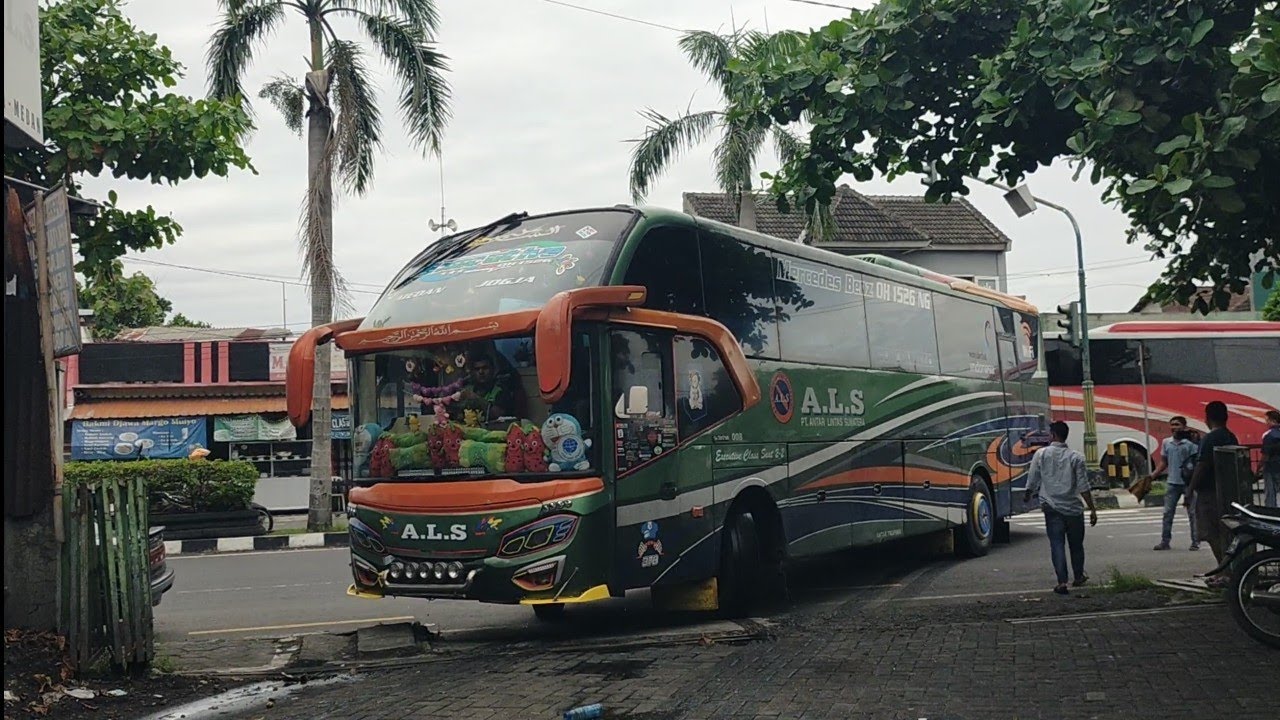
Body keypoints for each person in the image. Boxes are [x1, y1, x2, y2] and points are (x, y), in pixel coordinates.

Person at [1024, 420, 1098, 595]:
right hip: (1073, 508)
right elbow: (1084, 486)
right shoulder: (1076, 457)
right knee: (1076, 545)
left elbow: (1032, 478)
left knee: (1057, 544)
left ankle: (1062, 581)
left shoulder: (1041, 454)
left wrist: (1028, 494)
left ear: (1052, 435)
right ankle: (1078, 576)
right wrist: (1092, 509)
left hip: (1051, 507)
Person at [1184, 400, 1238, 583]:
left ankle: (1223, 571)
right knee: (1224, 532)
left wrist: (1190, 489)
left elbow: (1202, 465)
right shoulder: (1231, 436)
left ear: (1207, 418)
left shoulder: (1210, 438)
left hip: (1209, 492)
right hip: (1227, 490)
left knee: (1211, 532)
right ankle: (1225, 570)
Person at [1148, 416, 1200, 551]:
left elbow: (1195, 463)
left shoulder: (1190, 444)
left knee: (1193, 513)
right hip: (1172, 482)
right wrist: (1153, 476)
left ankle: (1195, 541)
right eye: (1172, 425)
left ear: (1184, 426)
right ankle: (1165, 541)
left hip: (1188, 483)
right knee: (1167, 513)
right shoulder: (1167, 443)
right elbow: (1164, 462)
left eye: (1177, 425)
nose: (1174, 427)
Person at [462, 353, 523, 423]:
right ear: (472, 372)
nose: (481, 372)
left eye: (485, 368)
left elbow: (498, 414)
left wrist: (478, 400)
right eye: (477, 369)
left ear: (493, 370)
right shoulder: (468, 389)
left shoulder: (501, 390)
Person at [1261, 410, 1280, 508]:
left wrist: (1259, 469)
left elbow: (1265, 455)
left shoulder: (1268, 435)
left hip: (1271, 468)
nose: (1266, 422)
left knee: (1270, 495)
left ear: (1272, 420)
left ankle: (1271, 515)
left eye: (1267, 420)